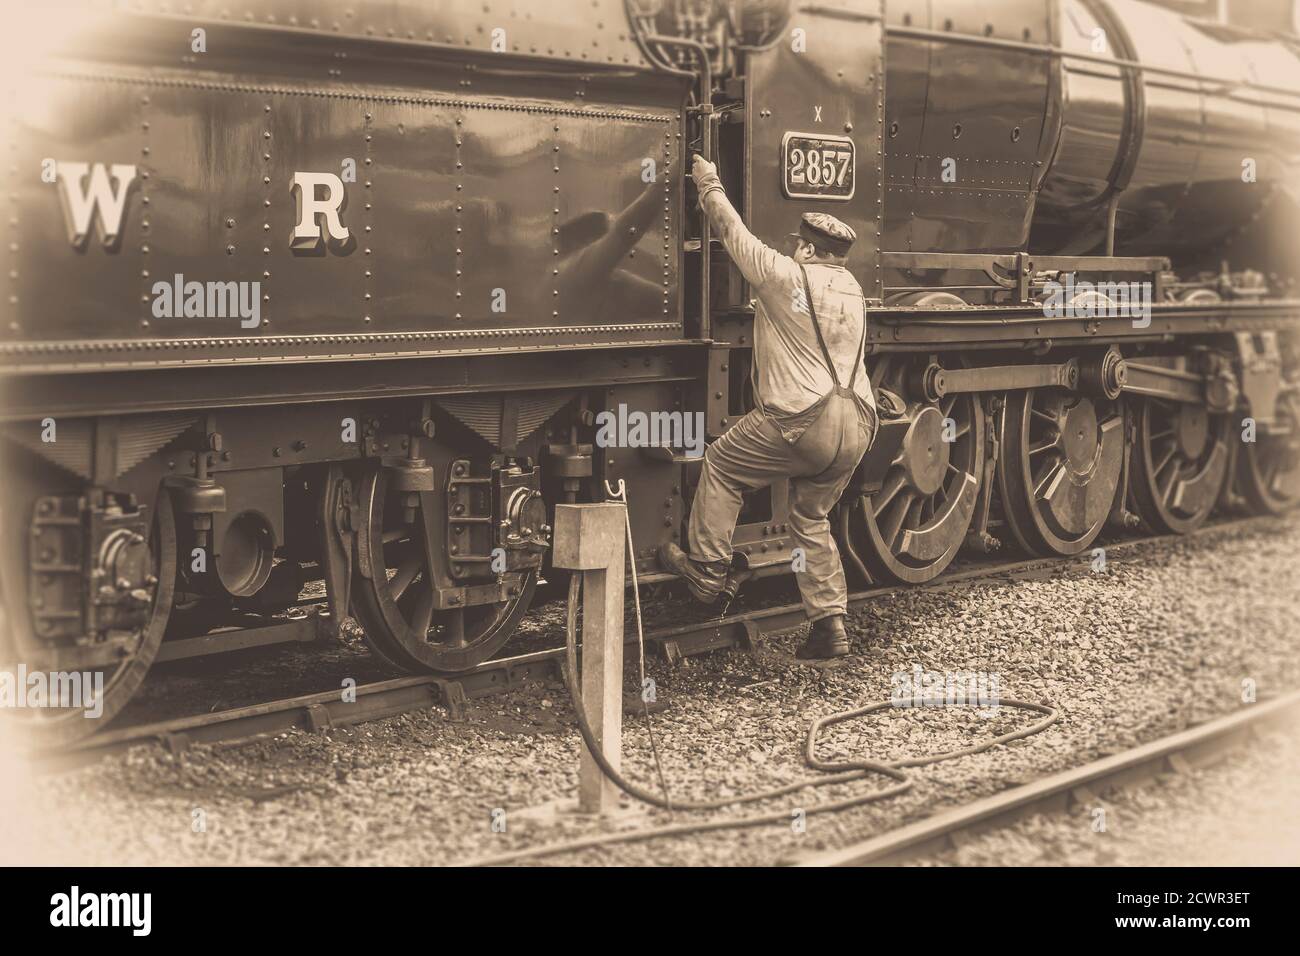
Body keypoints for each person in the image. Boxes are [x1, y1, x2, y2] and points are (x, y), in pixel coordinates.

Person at [658, 154, 877, 659]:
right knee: (810, 516)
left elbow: (732, 232)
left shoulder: (785, 276)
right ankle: (829, 628)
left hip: (804, 418)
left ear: (805, 247)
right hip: (859, 423)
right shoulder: (854, 290)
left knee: (723, 466)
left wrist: (707, 179)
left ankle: (708, 572)